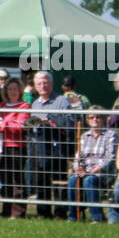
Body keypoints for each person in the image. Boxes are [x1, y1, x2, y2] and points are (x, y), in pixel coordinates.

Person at [24, 70, 75, 219]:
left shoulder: (61, 101)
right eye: (39, 83)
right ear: (35, 86)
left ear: (52, 84)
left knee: (58, 183)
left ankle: (60, 213)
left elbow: (70, 123)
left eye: (45, 82)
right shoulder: (35, 104)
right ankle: (43, 213)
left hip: (56, 149)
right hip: (38, 149)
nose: (42, 86)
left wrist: (50, 120)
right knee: (41, 182)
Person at [66, 108, 117, 221]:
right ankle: (73, 216)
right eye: (91, 117)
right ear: (88, 120)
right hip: (86, 171)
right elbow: (78, 157)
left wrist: (97, 169)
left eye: (98, 117)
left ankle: (97, 217)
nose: (95, 120)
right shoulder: (84, 136)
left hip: (103, 173)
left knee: (89, 180)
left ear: (103, 119)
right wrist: (78, 167)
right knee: (73, 180)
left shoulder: (110, 135)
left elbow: (110, 157)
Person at [0, 77, 30, 218]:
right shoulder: (2, 105)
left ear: (20, 90)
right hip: (1, 147)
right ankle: (6, 210)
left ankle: (18, 212)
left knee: (17, 181)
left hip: (17, 147)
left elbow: (21, 126)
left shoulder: (24, 106)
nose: (12, 92)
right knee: (5, 180)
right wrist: (7, 122)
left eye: (15, 89)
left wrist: (3, 124)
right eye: (9, 89)